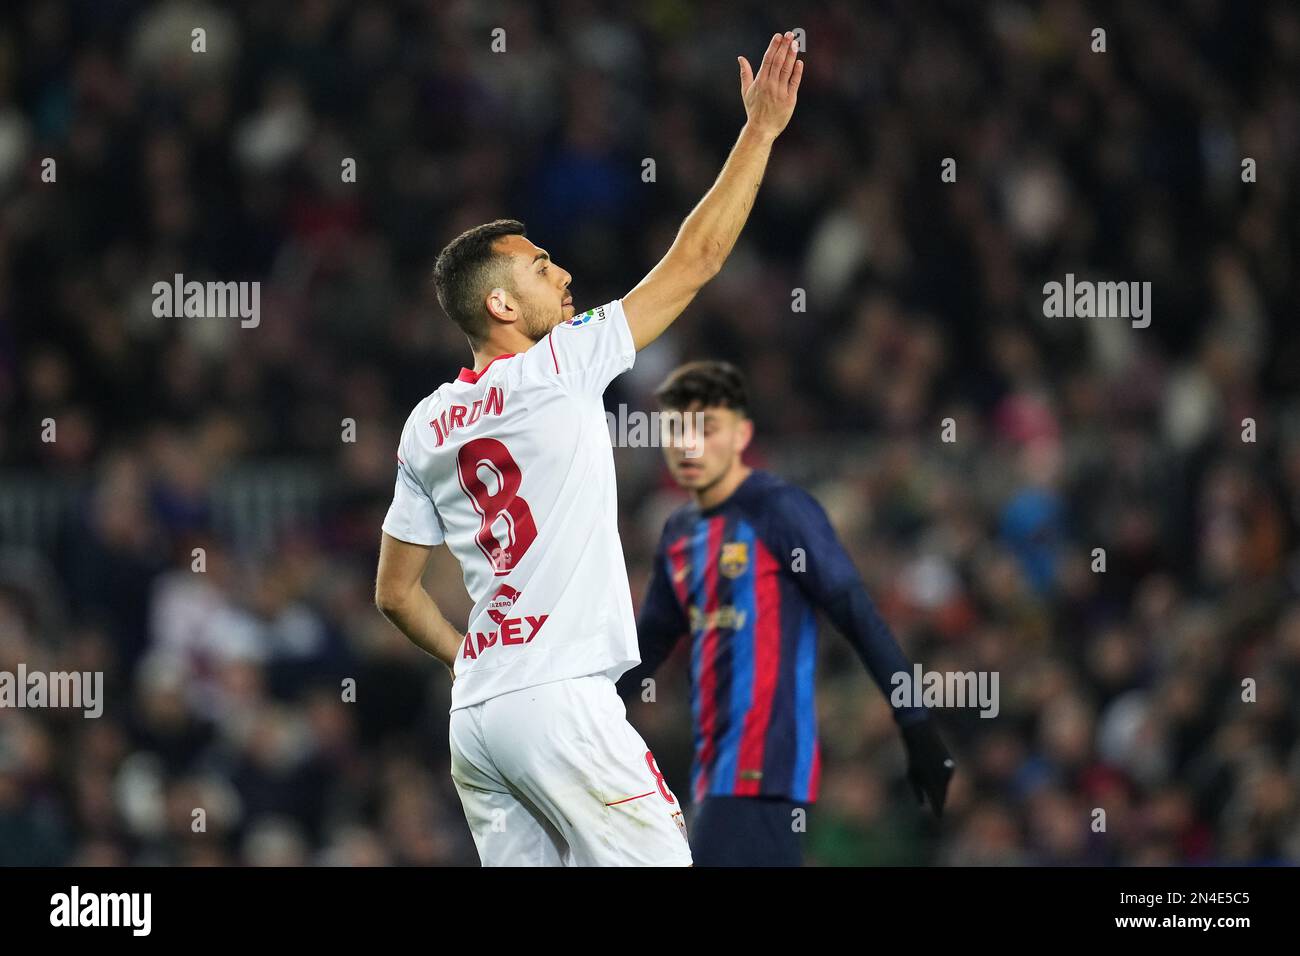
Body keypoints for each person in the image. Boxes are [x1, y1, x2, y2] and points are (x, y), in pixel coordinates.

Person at [373, 33, 805, 865]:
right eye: (541, 267)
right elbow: (698, 258)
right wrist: (761, 133)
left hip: (480, 722)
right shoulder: (558, 365)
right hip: (561, 703)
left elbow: (395, 595)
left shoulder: (426, 425)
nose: (564, 275)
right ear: (501, 302)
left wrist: (470, 659)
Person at [617, 360, 955, 866]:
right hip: (711, 765)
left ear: (740, 434)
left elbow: (857, 615)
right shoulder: (680, 534)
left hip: (766, 762)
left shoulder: (781, 511)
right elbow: (646, 649)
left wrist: (915, 723)